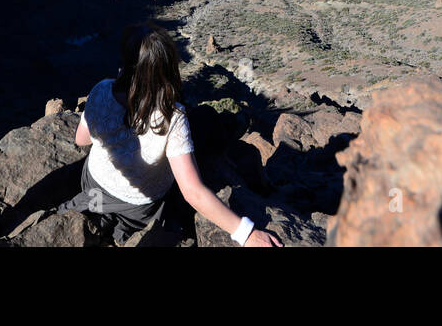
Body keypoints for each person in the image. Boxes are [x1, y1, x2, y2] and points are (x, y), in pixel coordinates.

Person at [61, 24, 281, 247]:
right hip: (137, 209)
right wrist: (246, 233)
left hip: (93, 188)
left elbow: (81, 140)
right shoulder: (172, 117)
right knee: (204, 124)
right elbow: (192, 192)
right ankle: (238, 124)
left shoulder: (101, 90)